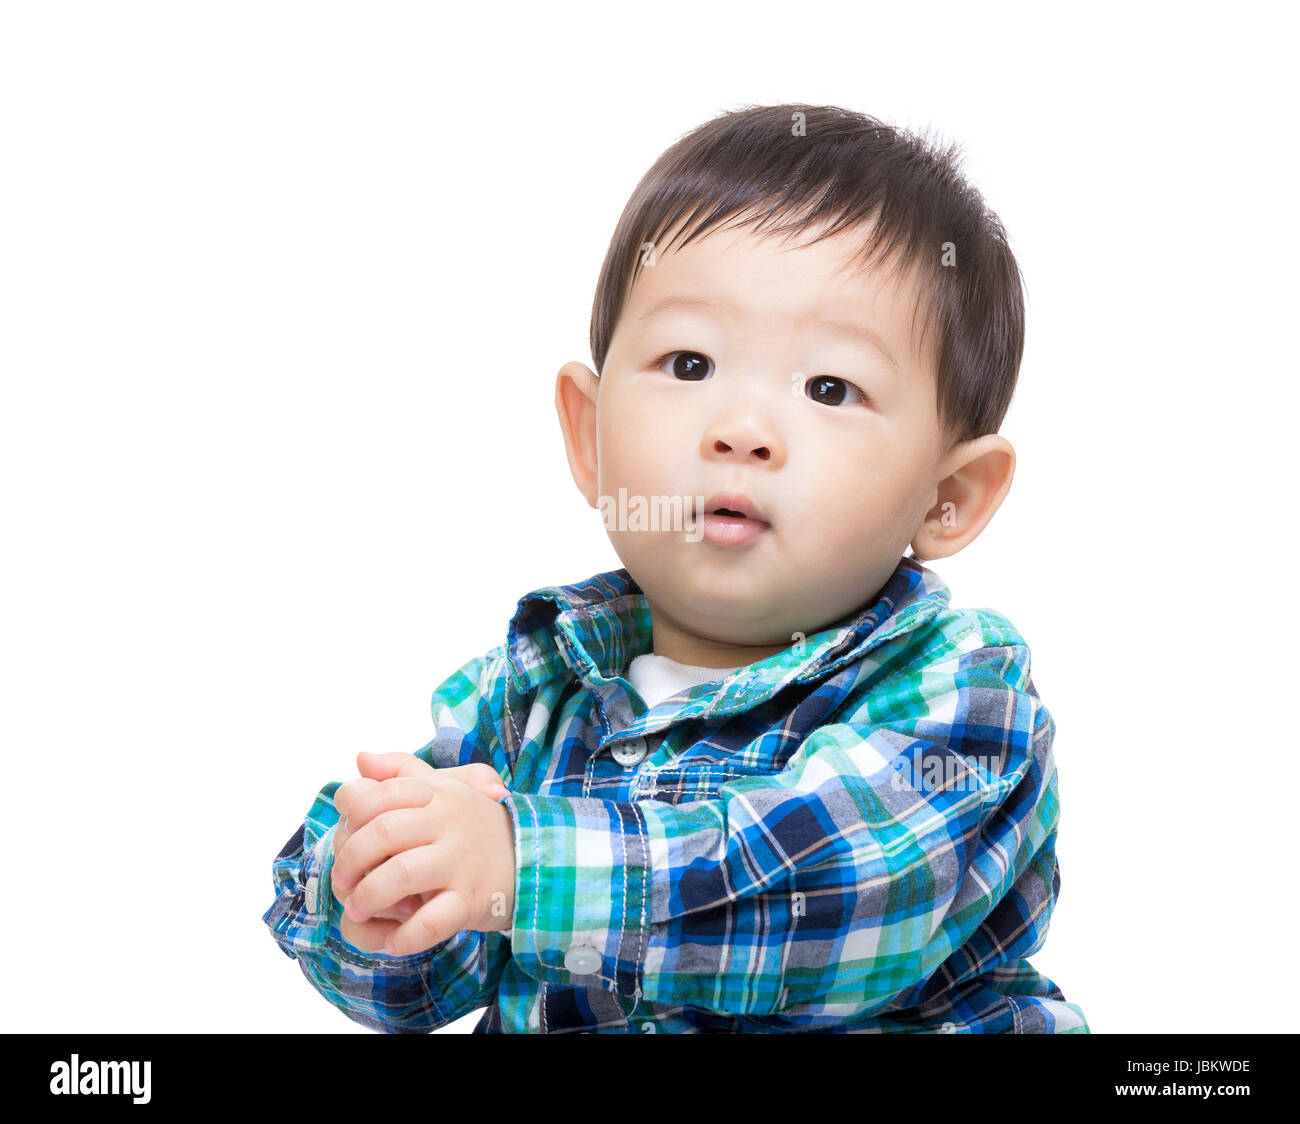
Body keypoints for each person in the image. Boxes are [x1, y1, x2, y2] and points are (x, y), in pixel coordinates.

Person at [262, 102, 1090, 1034]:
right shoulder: (529, 699)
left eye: (829, 388)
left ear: (952, 495)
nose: (739, 429)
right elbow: (409, 987)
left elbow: (841, 900)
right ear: (588, 436)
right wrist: (378, 878)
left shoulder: (960, 690)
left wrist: (518, 868)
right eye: (689, 362)